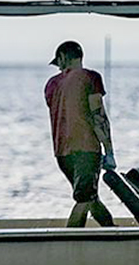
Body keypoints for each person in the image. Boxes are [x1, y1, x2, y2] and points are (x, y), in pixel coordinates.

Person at [44, 40, 116, 227]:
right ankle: (69, 243)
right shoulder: (90, 78)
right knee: (84, 198)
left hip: (62, 153)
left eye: (58, 62)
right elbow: (98, 115)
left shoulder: (51, 85)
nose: (58, 67)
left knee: (90, 198)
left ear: (62, 58)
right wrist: (109, 151)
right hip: (86, 149)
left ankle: (110, 229)